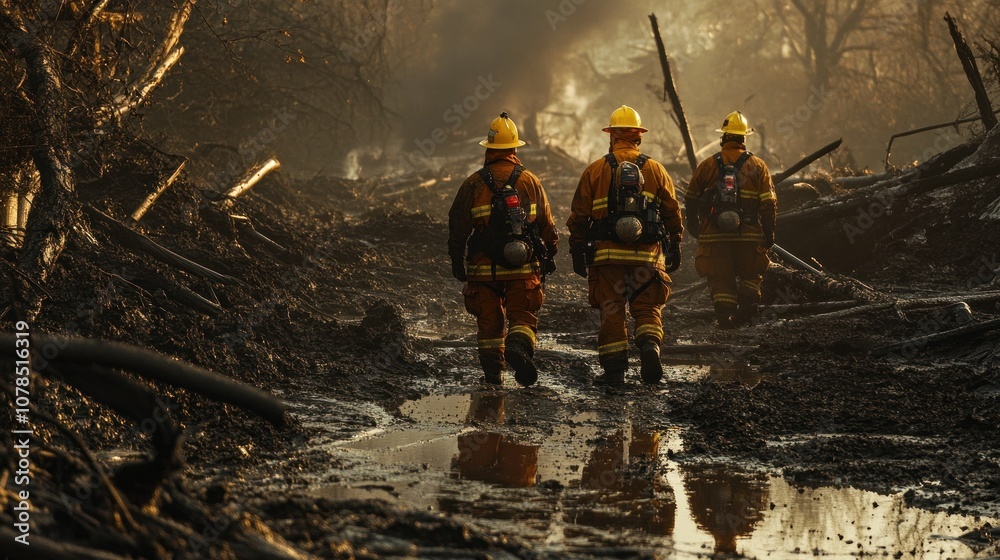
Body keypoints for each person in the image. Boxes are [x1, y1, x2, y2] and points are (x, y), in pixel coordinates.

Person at [566, 105, 683, 385]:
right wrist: (675, 245)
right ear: (638, 137)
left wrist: (577, 251)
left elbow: (579, 216)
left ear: (612, 137)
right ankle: (650, 347)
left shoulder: (595, 170)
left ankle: (615, 372)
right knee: (647, 308)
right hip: (647, 259)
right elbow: (672, 212)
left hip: (608, 260)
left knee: (612, 310)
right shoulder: (656, 170)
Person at [448, 112, 558, 387]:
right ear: (514, 149)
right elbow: (546, 223)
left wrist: (457, 260)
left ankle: (493, 377)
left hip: (483, 267)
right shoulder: (530, 181)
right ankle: (518, 347)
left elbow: (457, 225)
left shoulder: (473, 183)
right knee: (522, 315)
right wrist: (551, 253)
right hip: (523, 266)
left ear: (489, 150)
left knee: (489, 324)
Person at [684, 111, 776, 329]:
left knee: (720, 278)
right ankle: (746, 313)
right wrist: (769, 233)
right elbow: (769, 203)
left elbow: (690, 197)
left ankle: (725, 320)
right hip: (749, 234)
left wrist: (695, 226)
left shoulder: (707, 165)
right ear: (743, 138)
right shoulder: (758, 166)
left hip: (715, 235)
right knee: (751, 275)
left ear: (723, 138)